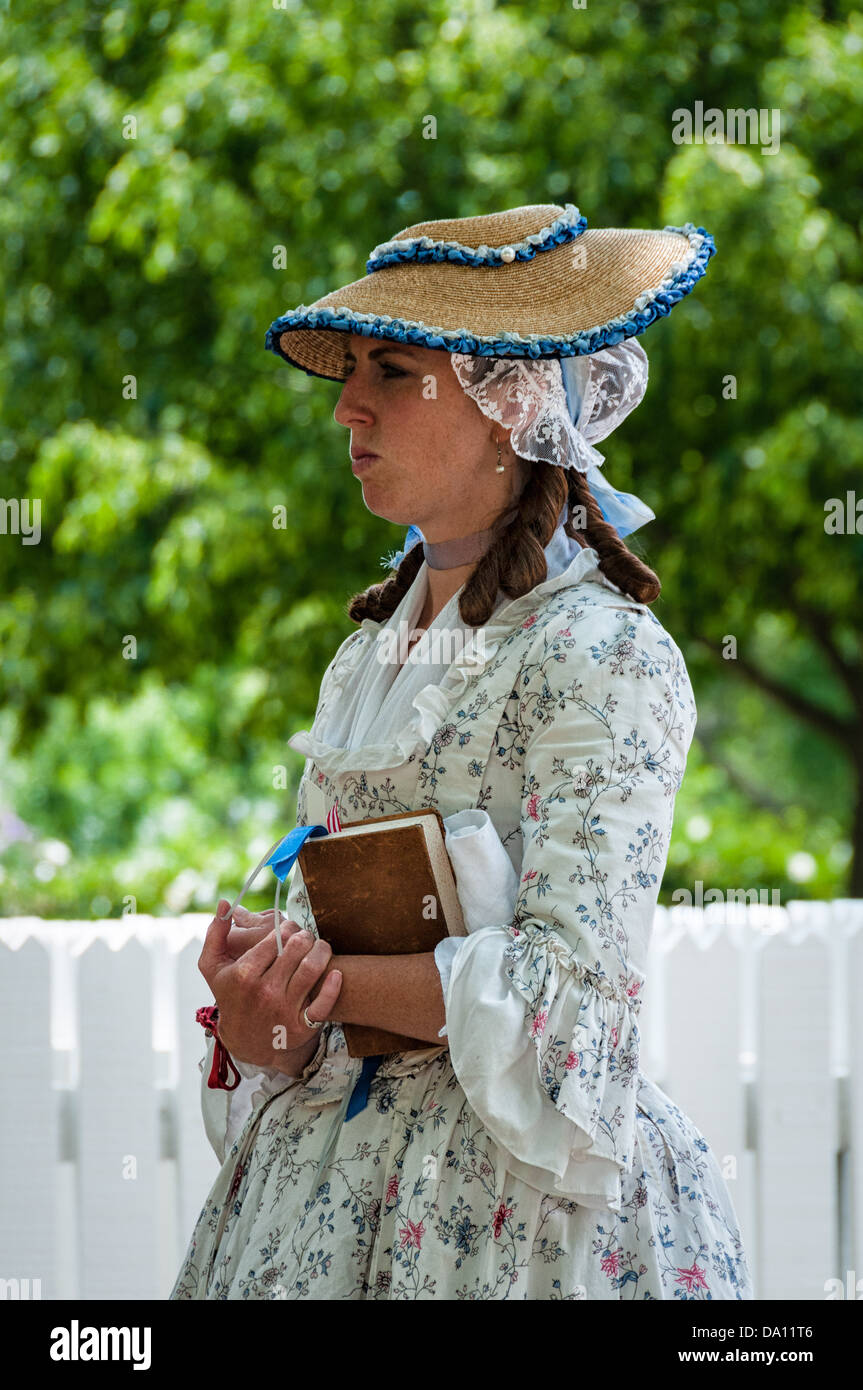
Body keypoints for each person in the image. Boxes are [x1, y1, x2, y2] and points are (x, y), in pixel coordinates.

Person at [170, 202, 754, 1300]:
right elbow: (318, 959)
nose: (346, 405)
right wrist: (265, 1016)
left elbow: (572, 1005)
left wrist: (329, 988)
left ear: (510, 403)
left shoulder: (602, 655)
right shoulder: (364, 662)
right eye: (350, 371)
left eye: (393, 371)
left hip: (514, 1219)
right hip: (320, 1197)